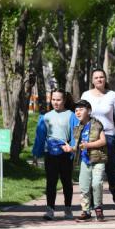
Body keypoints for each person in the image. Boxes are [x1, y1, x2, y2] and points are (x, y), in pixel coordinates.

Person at [31, 89, 78, 220]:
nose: (55, 102)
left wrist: (73, 149)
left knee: (66, 182)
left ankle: (68, 209)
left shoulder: (71, 115)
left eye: (59, 100)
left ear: (64, 100)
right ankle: (50, 210)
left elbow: (75, 134)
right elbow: (40, 137)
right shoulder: (46, 117)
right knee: (51, 182)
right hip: (50, 154)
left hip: (66, 154)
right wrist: (36, 153)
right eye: (53, 99)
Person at [81, 69, 115, 205]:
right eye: (96, 77)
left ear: (105, 79)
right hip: (92, 135)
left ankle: (112, 186)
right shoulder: (86, 95)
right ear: (92, 80)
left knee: (110, 166)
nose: (99, 79)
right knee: (92, 165)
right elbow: (81, 114)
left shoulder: (112, 95)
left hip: (109, 135)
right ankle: (94, 195)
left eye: (101, 77)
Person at [69, 99, 110, 222]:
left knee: (96, 184)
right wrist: (69, 148)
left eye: (81, 109)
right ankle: (86, 211)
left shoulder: (97, 124)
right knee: (84, 186)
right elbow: (77, 146)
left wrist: (88, 145)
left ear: (89, 111)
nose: (78, 112)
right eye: (76, 110)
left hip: (98, 159)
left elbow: (103, 141)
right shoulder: (77, 128)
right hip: (84, 161)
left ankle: (98, 208)